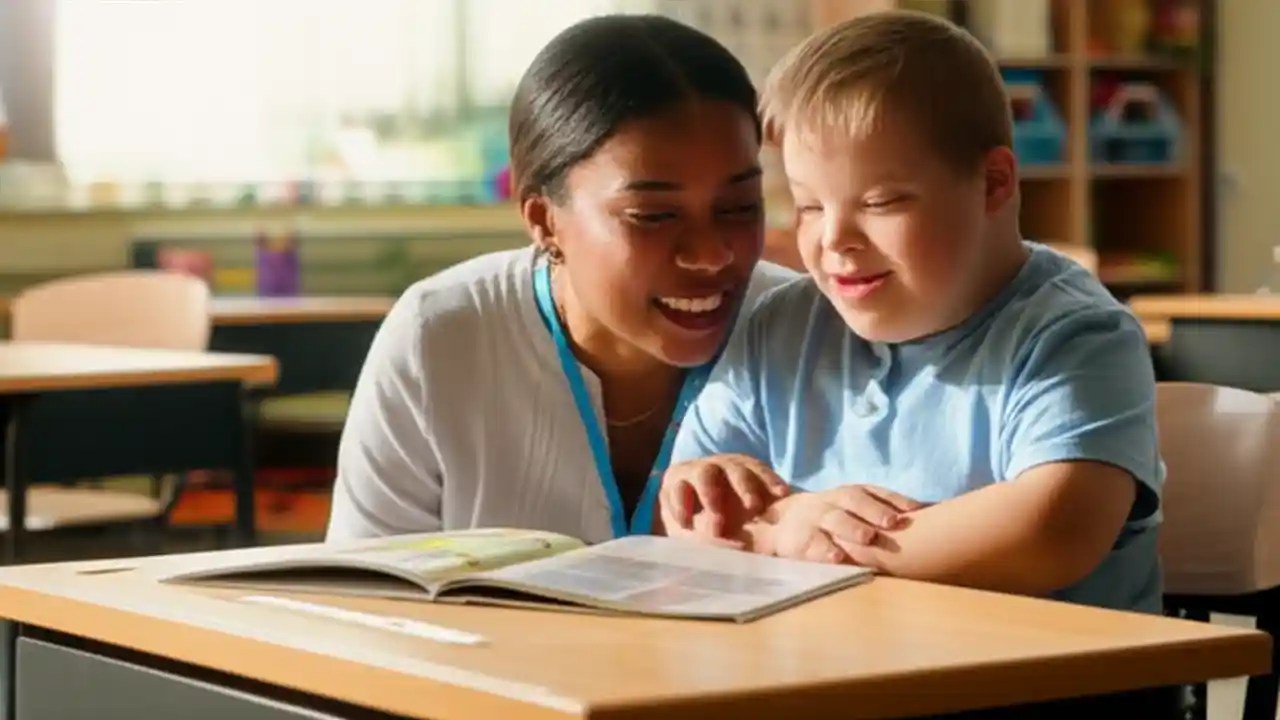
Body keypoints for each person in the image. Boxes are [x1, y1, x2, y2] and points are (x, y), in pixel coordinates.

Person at [326, 14, 795, 545]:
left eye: (739, 206)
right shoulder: (439, 336)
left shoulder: (804, 334)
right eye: (654, 215)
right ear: (544, 219)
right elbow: (363, 598)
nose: (711, 254)